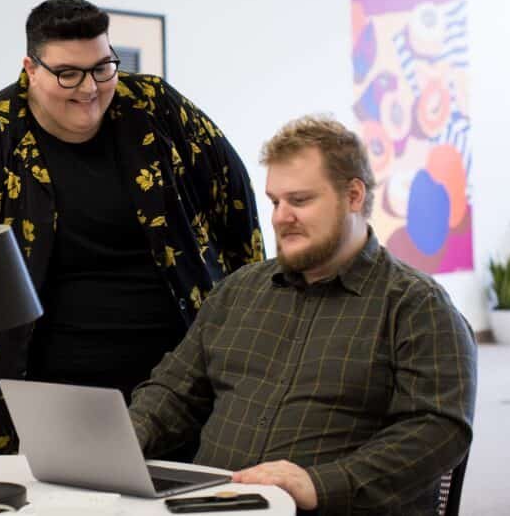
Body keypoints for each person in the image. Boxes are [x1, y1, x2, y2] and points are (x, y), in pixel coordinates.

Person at [0, 0, 264, 459]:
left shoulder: (156, 108)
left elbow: (235, 209)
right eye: (68, 74)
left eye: (102, 68)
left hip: (175, 376)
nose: (89, 88)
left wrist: (255, 330)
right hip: (49, 382)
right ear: (30, 69)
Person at [129, 115, 477, 515]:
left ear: (353, 196)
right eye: (276, 201)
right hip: (210, 506)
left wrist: (319, 484)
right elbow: (174, 392)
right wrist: (122, 440)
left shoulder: (416, 306)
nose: (280, 216)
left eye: (300, 200)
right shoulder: (238, 291)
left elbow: (437, 430)